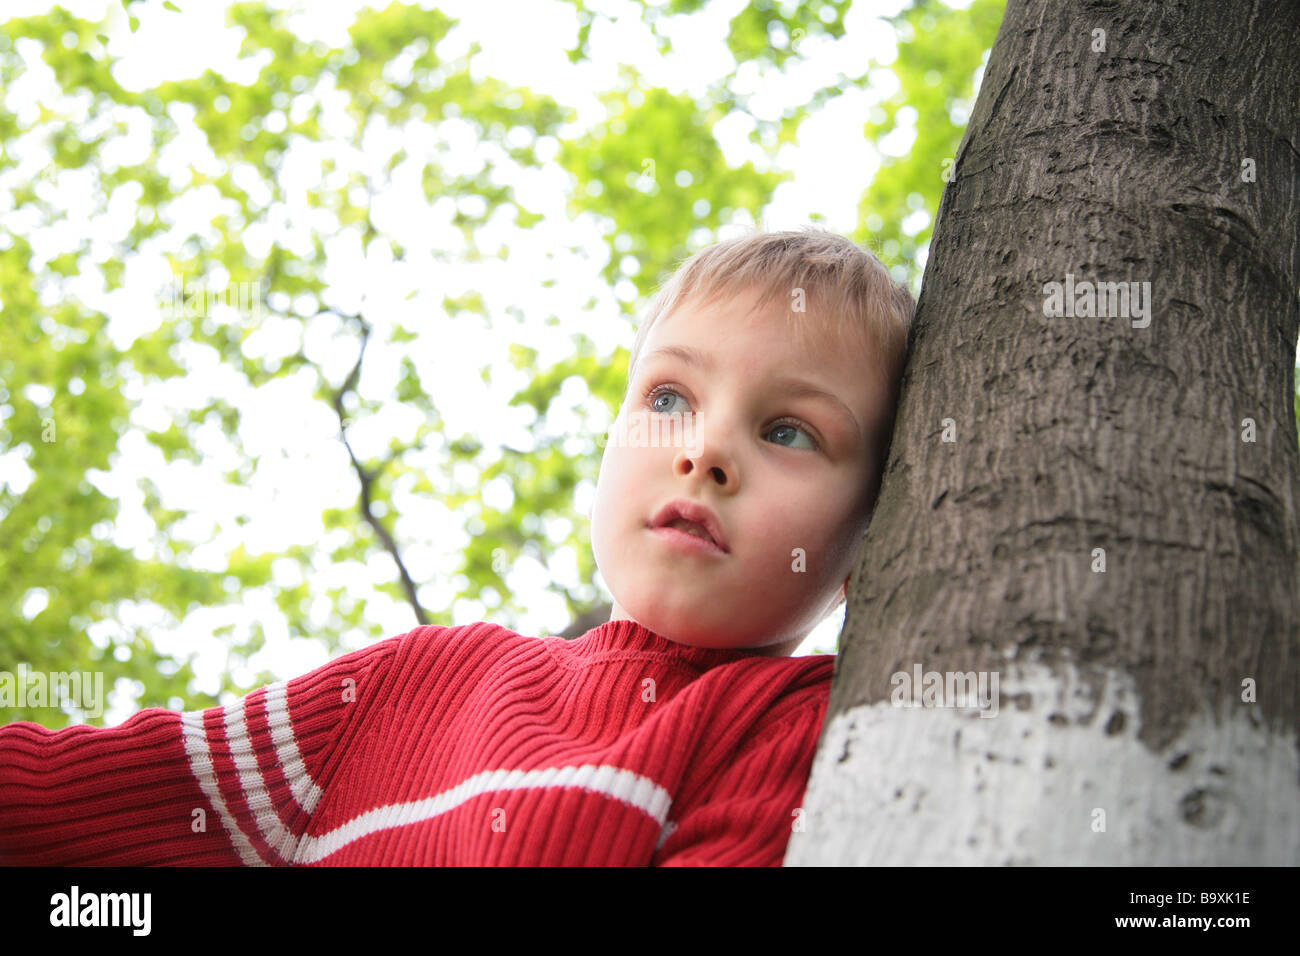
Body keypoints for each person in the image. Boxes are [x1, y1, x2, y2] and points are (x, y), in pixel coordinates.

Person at [0, 227, 913, 866]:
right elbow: (73, 804)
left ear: (866, 543)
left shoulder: (800, 728)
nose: (704, 450)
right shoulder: (409, 685)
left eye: (789, 432)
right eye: (668, 398)